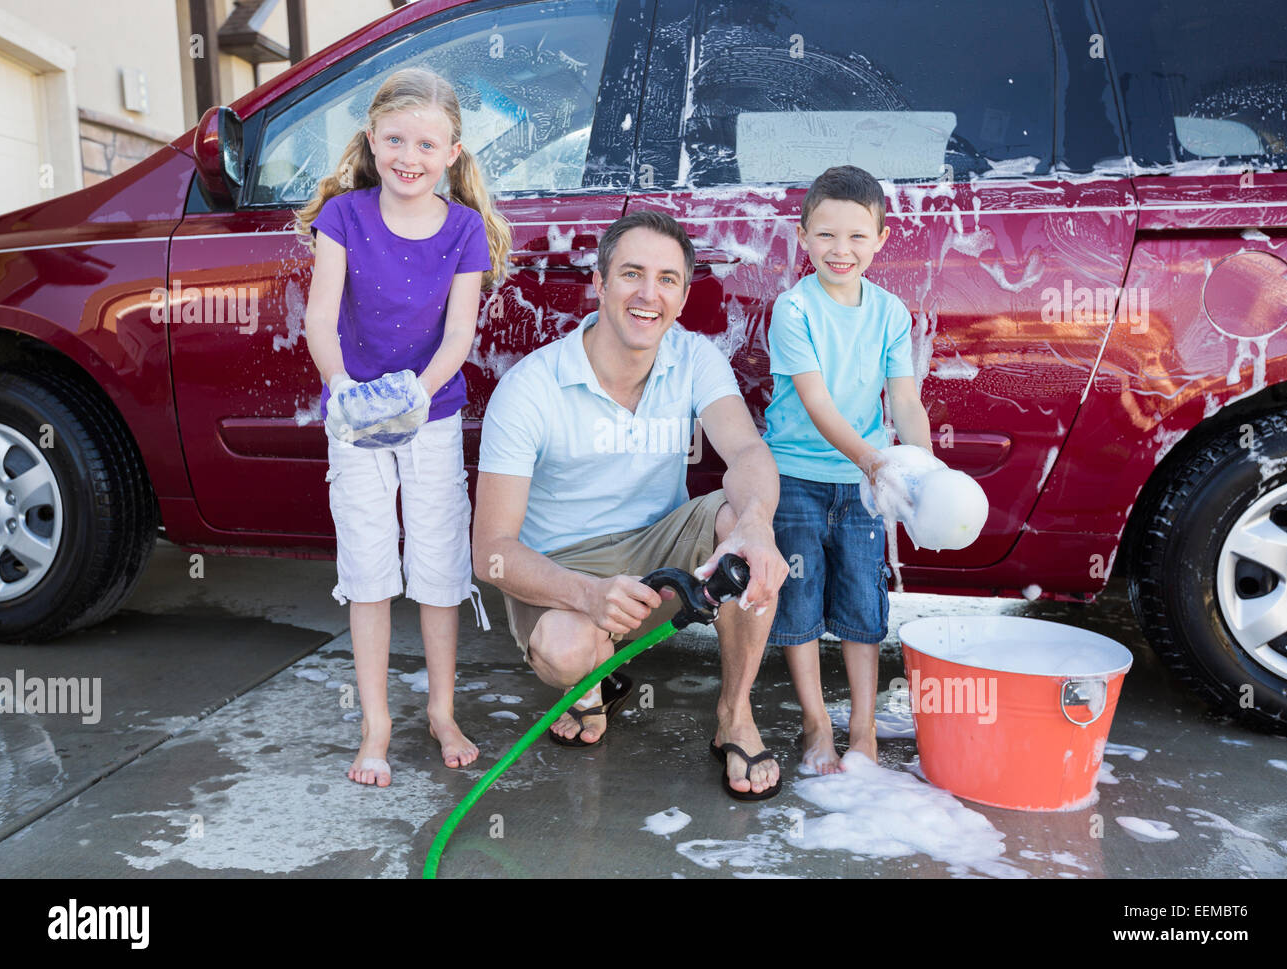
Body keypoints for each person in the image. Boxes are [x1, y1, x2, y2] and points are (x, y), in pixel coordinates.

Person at [472, 210, 789, 799]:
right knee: (567, 648)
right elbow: (489, 553)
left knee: (742, 529)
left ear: (684, 295)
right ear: (598, 282)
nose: (649, 295)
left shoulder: (693, 358)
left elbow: (746, 451)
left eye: (667, 279)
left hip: (656, 553)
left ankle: (735, 715)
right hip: (564, 568)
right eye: (631, 274)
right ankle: (592, 685)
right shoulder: (532, 388)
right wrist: (587, 594)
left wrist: (755, 527)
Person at [297, 68, 511, 786]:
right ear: (371, 139)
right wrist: (344, 390)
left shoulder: (463, 229)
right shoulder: (345, 217)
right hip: (355, 420)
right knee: (367, 568)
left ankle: (442, 709)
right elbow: (320, 317)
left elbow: (458, 334)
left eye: (426, 142)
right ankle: (377, 720)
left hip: (431, 416)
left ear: (452, 152)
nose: (408, 155)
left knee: (440, 566)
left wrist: (413, 395)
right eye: (394, 139)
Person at [763, 165, 933, 775]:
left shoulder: (890, 313)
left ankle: (862, 728)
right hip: (797, 479)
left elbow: (905, 403)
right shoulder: (794, 309)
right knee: (800, 602)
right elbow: (817, 403)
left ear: (882, 239)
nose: (842, 250)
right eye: (827, 236)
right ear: (803, 237)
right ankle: (816, 724)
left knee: (864, 605)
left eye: (858, 237)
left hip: (863, 484)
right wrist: (874, 462)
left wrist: (924, 474)